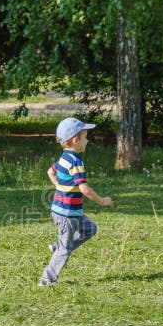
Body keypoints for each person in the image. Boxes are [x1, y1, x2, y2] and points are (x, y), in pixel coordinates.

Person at [39, 117, 114, 286]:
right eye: (85, 137)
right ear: (75, 140)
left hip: (70, 212)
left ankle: (59, 245)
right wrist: (103, 201)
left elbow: (50, 172)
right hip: (66, 214)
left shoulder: (63, 158)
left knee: (90, 229)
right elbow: (84, 189)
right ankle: (47, 278)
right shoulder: (76, 162)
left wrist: (58, 184)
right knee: (66, 249)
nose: (87, 140)